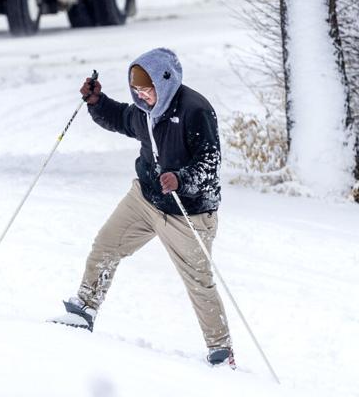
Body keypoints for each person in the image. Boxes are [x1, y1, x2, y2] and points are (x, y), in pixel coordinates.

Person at [53, 48, 234, 368]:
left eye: (147, 90)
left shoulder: (195, 110)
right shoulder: (143, 111)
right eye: (136, 90)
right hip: (146, 198)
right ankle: (84, 309)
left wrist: (181, 179)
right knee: (106, 246)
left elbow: (210, 166)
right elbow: (121, 118)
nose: (141, 96)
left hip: (188, 212)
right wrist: (97, 102)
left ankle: (221, 351)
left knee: (199, 282)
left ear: (165, 82)